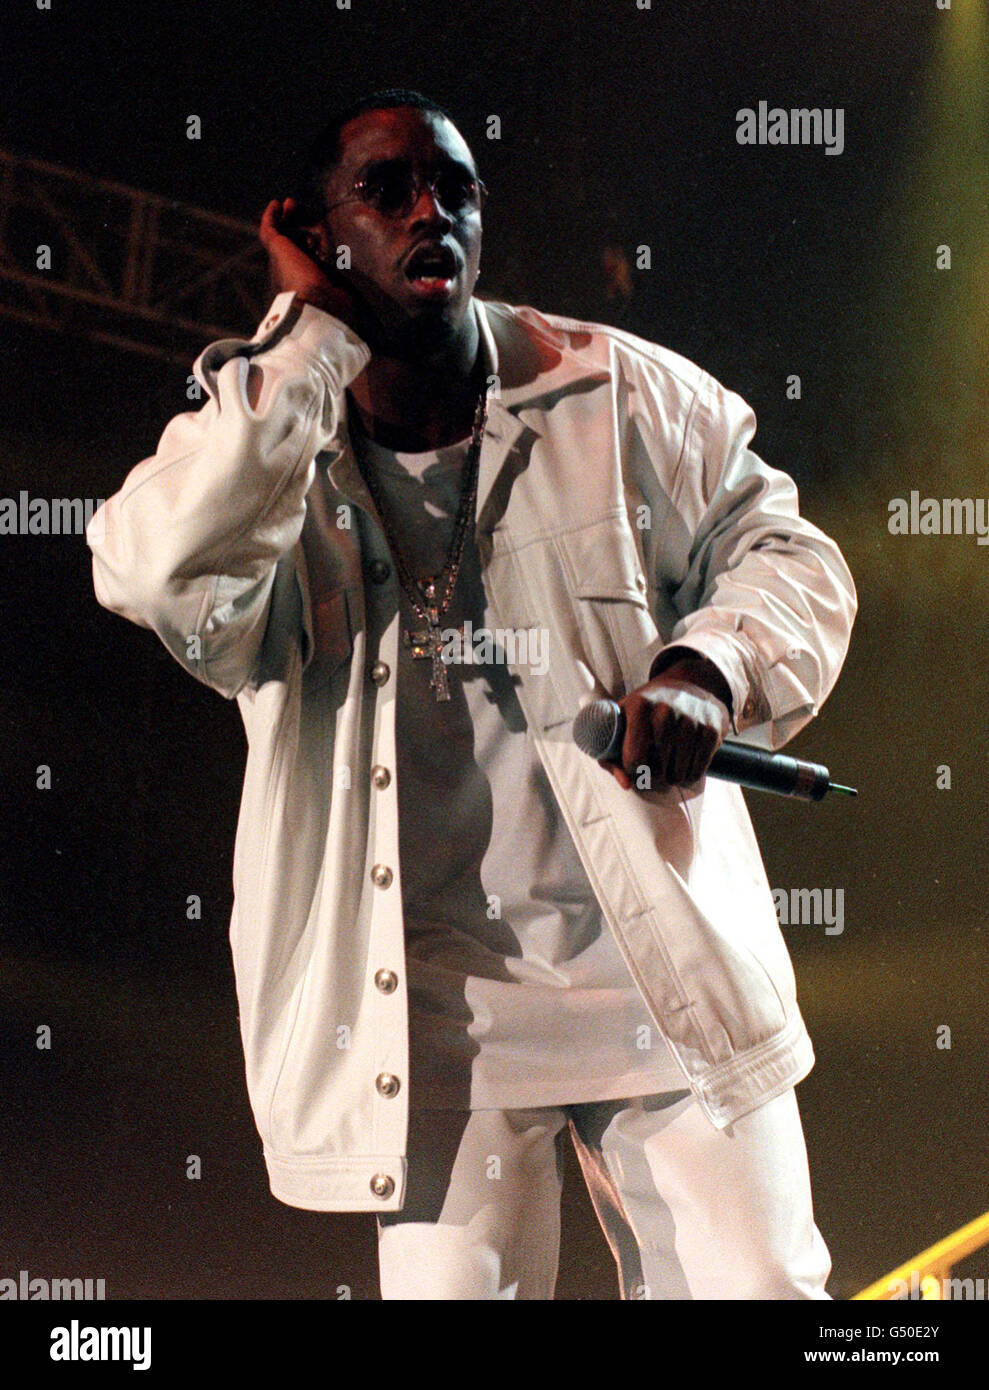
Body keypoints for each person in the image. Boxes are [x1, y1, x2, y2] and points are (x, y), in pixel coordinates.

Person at [86, 88, 857, 1300]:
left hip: (662, 988)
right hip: (429, 1036)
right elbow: (148, 565)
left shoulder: (614, 394)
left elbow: (786, 551)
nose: (427, 212)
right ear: (308, 229)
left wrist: (713, 665)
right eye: (382, 193)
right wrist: (305, 340)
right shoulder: (273, 443)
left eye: (453, 188)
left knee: (763, 1288)